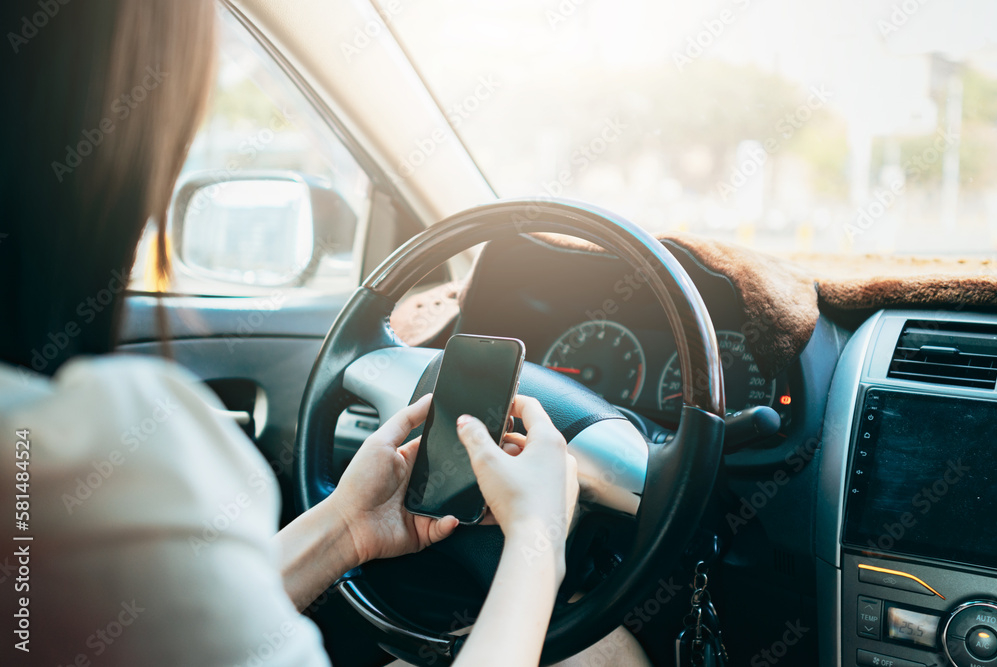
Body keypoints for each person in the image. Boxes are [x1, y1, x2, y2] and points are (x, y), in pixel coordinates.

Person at [0, 1, 650, 665]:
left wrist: (346, 526)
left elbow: (163, 633)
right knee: (605, 653)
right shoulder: (82, 460)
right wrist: (538, 540)